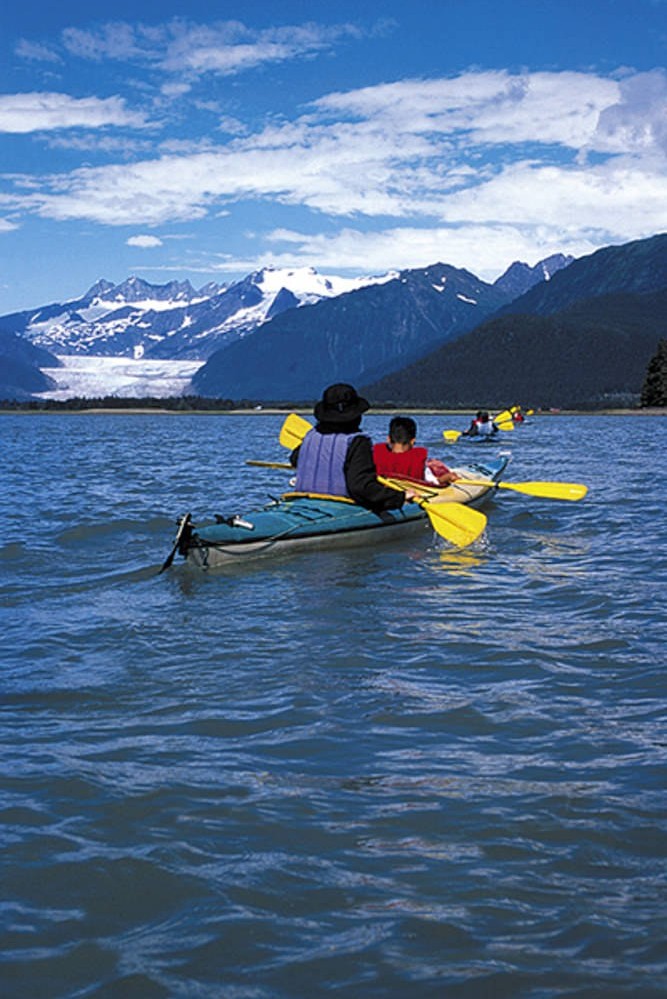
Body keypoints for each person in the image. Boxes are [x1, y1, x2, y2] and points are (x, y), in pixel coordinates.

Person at [291, 384, 415, 511]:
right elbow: (360, 487)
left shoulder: (310, 437)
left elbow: (294, 460)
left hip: (303, 503)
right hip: (339, 508)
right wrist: (399, 497)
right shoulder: (357, 442)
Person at [373, 416, 459, 485]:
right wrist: (444, 479)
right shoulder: (418, 459)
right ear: (412, 441)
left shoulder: (374, 457)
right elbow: (432, 483)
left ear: (388, 439)